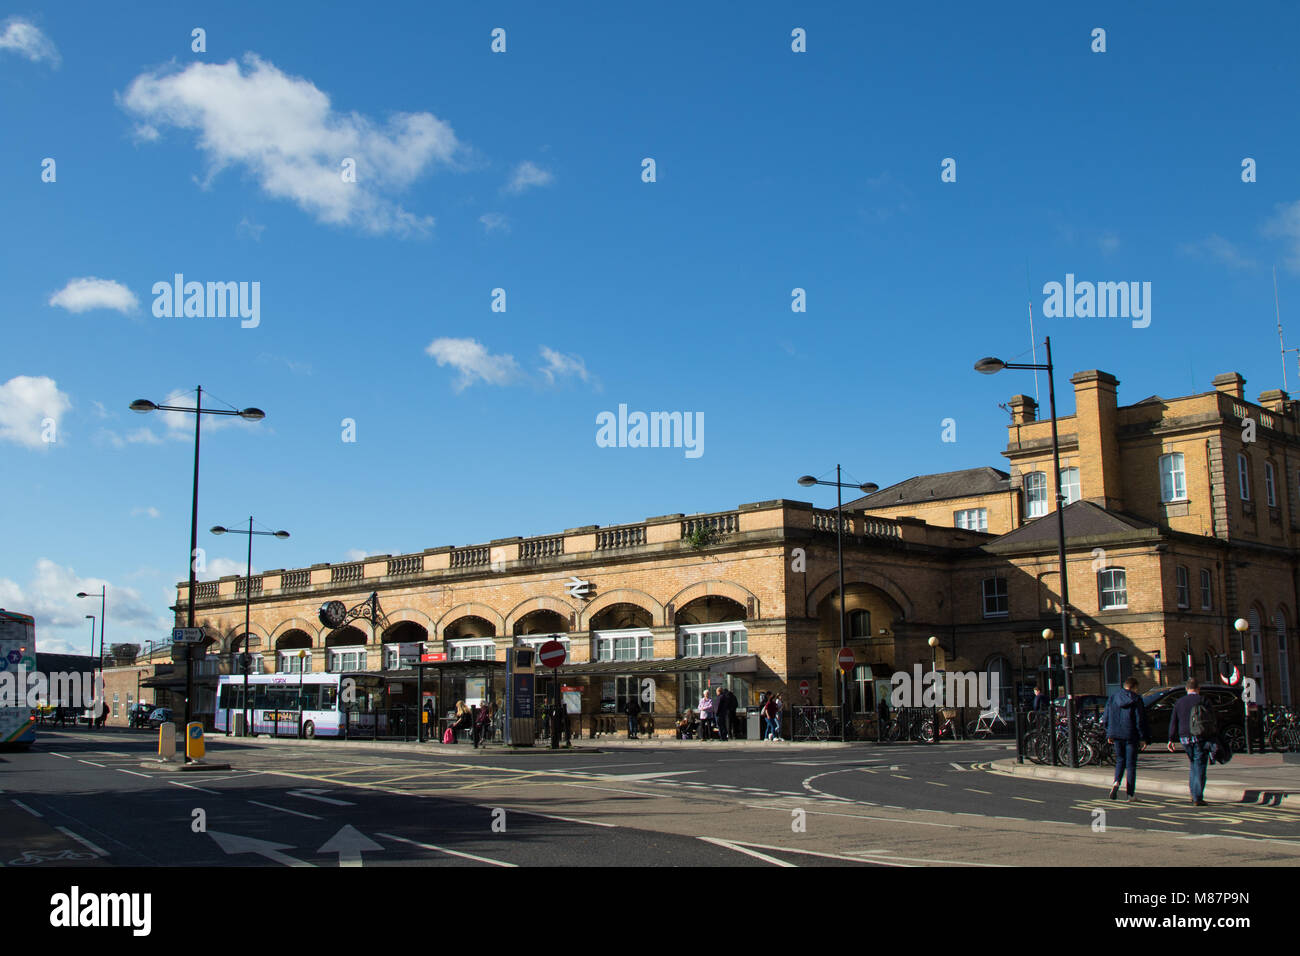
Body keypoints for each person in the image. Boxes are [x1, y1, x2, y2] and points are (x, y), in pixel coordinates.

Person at [1168, 678, 1215, 806]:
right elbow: (1212, 719)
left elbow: (1174, 721)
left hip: (1184, 737)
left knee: (1193, 763)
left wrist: (1171, 739)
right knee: (1199, 765)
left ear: (1186, 689)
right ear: (1198, 689)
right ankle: (1197, 796)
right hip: (1200, 735)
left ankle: (1193, 793)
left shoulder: (1179, 702)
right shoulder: (1203, 700)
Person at [1102, 676, 1150, 801]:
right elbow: (1139, 720)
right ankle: (1130, 794)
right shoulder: (1136, 699)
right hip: (1131, 735)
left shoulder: (1113, 697)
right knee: (1131, 765)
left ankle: (1116, 782)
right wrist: (1142, 737)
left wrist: (1109, 733)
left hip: (1116, 734)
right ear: (1134, 687)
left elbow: (1106, 717)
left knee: (1120, 760)